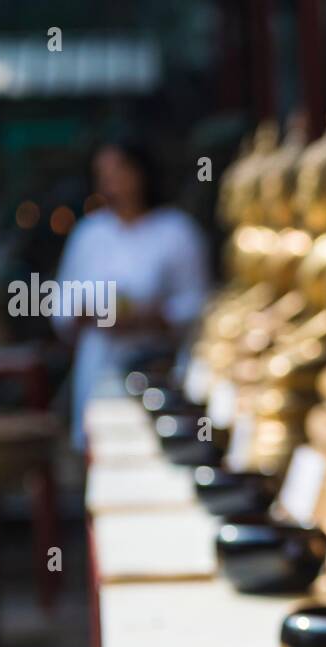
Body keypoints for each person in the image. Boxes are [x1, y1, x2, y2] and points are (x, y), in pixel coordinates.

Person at [53, 136, 210, 450]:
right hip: (99, 365)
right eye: (103, 173)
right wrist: (87, 314)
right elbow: (61, 305)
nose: (111, 182)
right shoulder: (89, 234)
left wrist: (153, 317)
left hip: (158, 368)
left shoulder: (176, 231)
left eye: (120, 170)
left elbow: (199, 305)